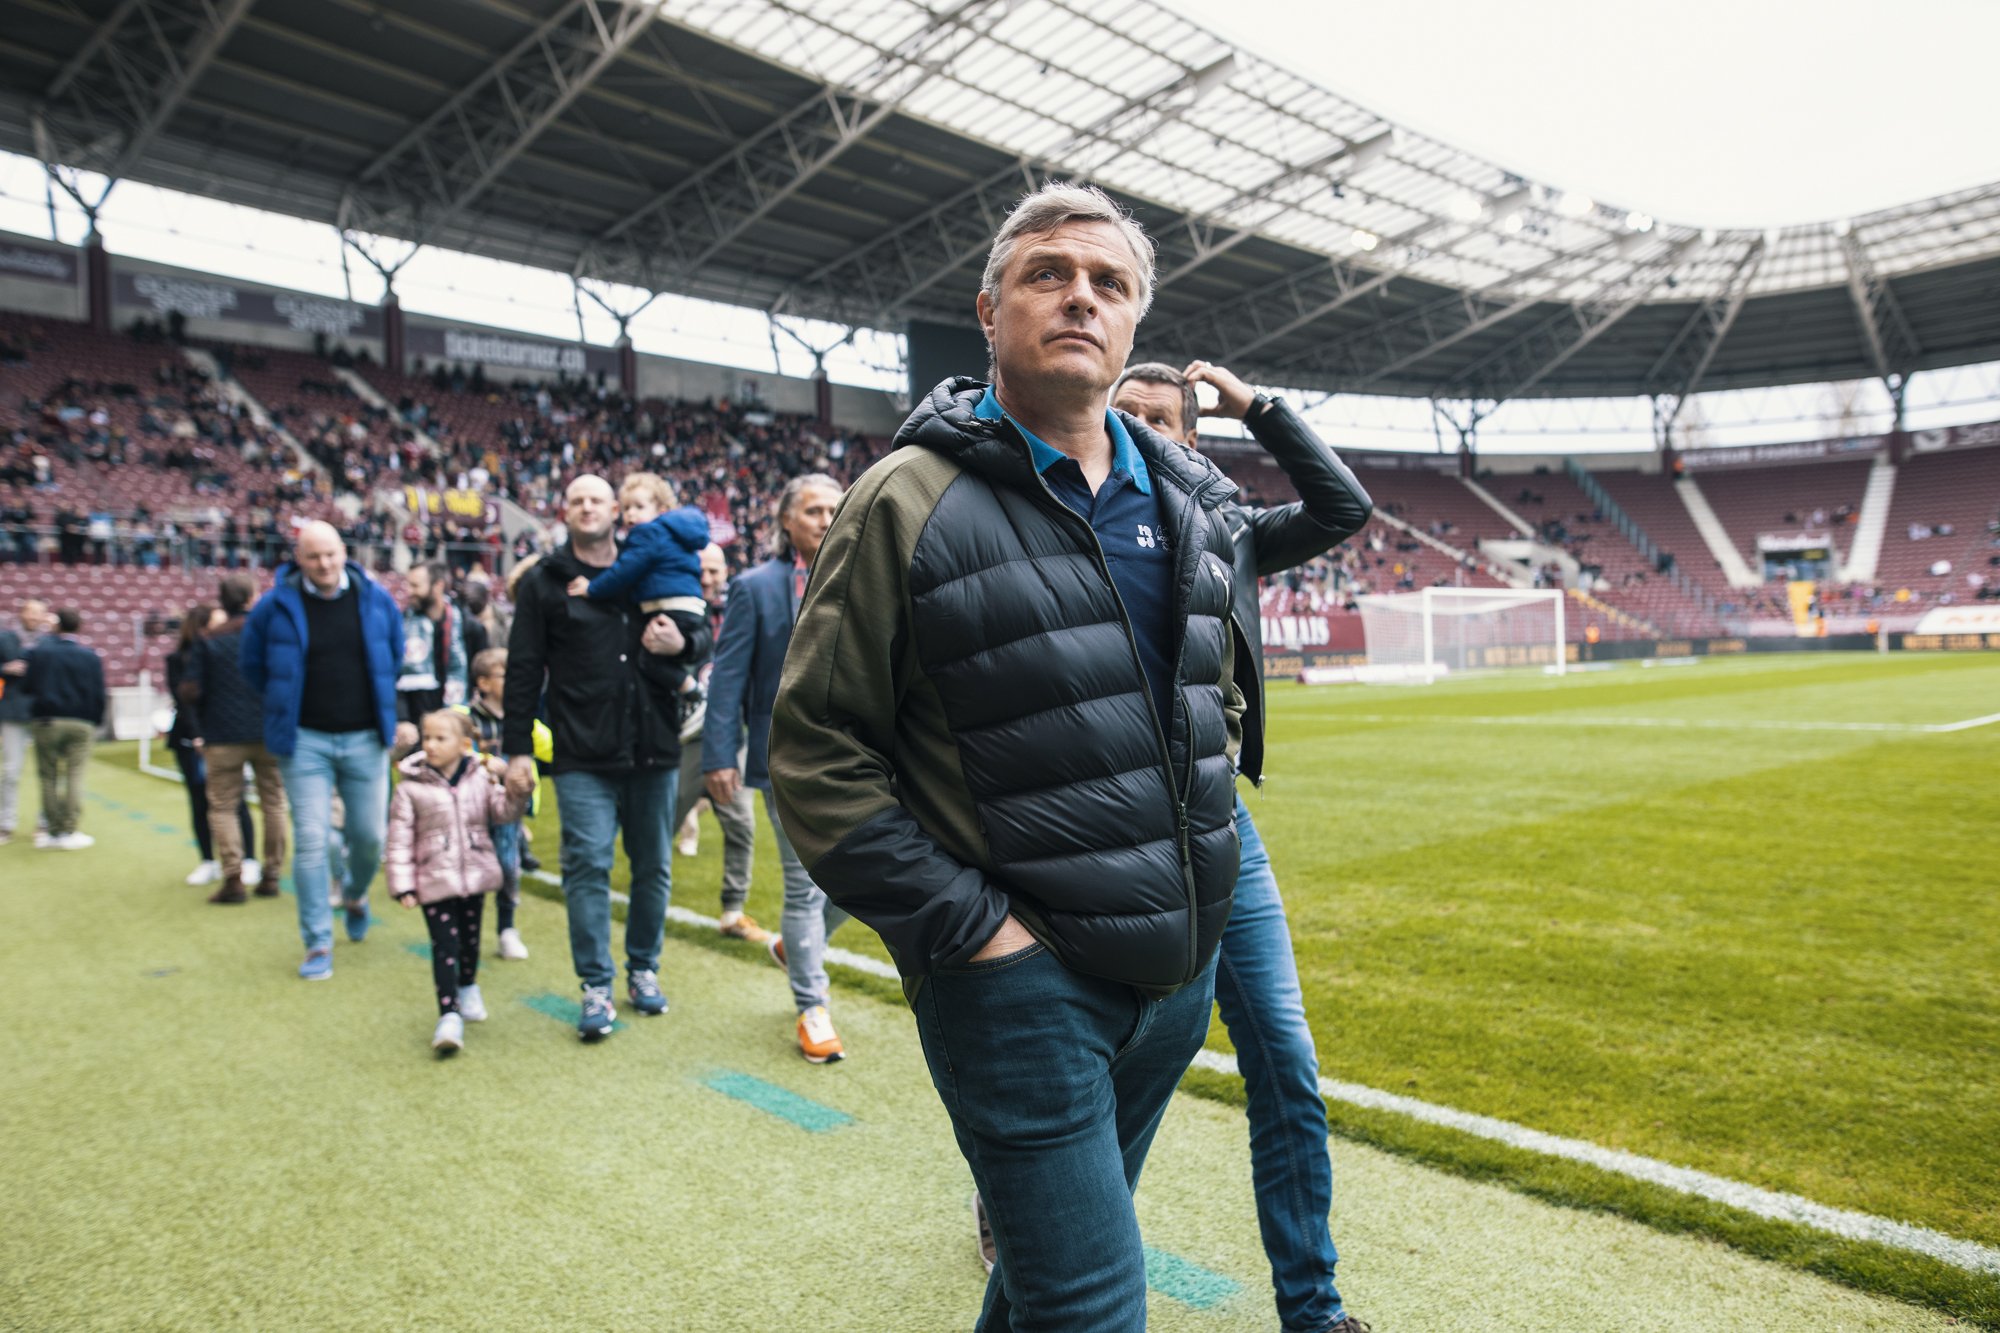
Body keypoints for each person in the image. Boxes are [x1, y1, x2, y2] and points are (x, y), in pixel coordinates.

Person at [768, 182, 1243, 1330]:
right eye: (1047, 275)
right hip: (1021, 990)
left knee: (1038, 1284)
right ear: (988, 310)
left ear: (1134, 326)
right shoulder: (905, 497)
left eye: (1107, 283)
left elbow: (1205, 702)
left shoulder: (1186, 497)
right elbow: (816, 749)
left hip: (1175, 979)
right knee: (1091, 1305)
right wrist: (976, 935)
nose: (1079, 296)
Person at [1112, 358, 1374, 1333]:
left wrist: (1253, 403)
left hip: (1225, 829)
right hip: (1120, 840)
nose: (1139, 427)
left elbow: (1341, 505)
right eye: (1121, 413)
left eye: (1161, 418)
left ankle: (1311, 1308)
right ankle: (1032, 1218)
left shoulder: (1230, 532)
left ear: (1190, 435)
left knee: (1285, 1060)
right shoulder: (1070, 528)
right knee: (1126, 1073)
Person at [503, 475, 711, 1041]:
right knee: (587, 866)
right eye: (577, 500)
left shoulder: (648, 557)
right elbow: (522, 668)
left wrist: (685, 647)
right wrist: (516, 748)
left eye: (597, 499)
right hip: (581, 751)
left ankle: (643, 970)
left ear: (615, 510)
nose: (587, 507)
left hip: (652, 743)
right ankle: (596, 982)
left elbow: (699, 627)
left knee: (653, 867)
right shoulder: (547, 581)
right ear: (565, 512)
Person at [705, 474, 849, 1063]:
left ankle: (797, 947)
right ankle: (812, 1007)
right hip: (784, 759)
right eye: (812, 510)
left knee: (866, 877)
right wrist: (719, 754)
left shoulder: (866, 572)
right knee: (801, 884)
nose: (824, 518)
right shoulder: (755, 587)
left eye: (834, 509)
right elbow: (728, 677)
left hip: (861, 758)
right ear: (786, 520)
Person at [240, 521, 405, 981]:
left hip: (365, 738)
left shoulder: (376, 598)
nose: (324, 564)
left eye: (331, 554)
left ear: (343, 552)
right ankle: (317, 941)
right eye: (314, 557)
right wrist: (283, 703)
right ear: (299, 558)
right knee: (311, 841)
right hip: (304, 741)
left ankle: (354, 893)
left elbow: (393, 655)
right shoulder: (274, 606)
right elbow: (252, 667)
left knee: (370, 835)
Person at [386, 709, 529, 1055]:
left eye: (441, 738)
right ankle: (448, 1014)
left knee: (469, 940)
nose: (431, 745)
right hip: (433, 878)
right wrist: (403, 884)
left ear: (464, 745)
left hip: (475, 875)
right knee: (444, 945)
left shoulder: (480, 778)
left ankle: (468, 986)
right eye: (427, 738)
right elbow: (399, 839)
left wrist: (515, 787)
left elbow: (503, 813)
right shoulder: (410, 788)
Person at [670, 543, 762, 939]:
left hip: (727, 736)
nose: (707, 578)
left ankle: (732, 910)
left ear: (726, 573)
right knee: (661, 825)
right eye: (699, 571)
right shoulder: (674, 612)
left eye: (713, 571)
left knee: (741, 824)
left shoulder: (739, 609)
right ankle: (645, 894)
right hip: (683, 739)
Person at [187, 572, 289, 905]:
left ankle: (233, 879)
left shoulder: (208, 639)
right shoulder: (270, 637)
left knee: (223, 807)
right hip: (267, 731)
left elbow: (190, 690)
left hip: (222, 736)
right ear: (251, 598)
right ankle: (271, 874)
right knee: (273, 802)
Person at [458, 647, 548, 962]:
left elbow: (549, 749)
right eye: (505, 674)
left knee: (508, 866)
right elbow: (453, 754)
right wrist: (485, 761)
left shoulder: (522, 719)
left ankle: (506, 929)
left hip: (508, 808)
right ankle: (464, 930)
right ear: (483, 683)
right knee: (469, 870)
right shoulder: (464, 718)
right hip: (469, 811)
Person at [165, 602, 255, 890]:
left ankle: (248, 859)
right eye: (215, 622)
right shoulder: (178, 659)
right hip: (192, 739)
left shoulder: (228, 652)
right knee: (200, 801)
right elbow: (185, 701)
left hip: (225, 736)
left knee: (234, 800)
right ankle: (208, 860)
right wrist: (197, 736)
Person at [565, 472, 710, 619]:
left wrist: (592, 589)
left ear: (662, 510)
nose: (631, 513)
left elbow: (624, 570)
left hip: (666, 608)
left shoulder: (648, 533)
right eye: (627, 508)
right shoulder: (675, 535)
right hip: (692, 607)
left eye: (639, 507)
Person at [25, 607, 106, 851]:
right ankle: (68, 830)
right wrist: (95, 721)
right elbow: (98, 693)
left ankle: (54, 831)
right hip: (80, 723)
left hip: (47, 721)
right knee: (74, 775)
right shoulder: (89, 655)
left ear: (56, 625)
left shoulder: (40, 652)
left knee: (48, 776)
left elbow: (28, 686)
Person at [394, 561, 468, 754]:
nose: (409, 591)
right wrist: (402, 720)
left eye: (416, 585)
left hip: (455, 722)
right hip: (414, 725)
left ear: (438, 586)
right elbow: (395, 675)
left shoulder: (468, 626)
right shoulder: (402, 624)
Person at [0, 598, 50, 845]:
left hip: (43, 712)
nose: (34, 617)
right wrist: (5, 669)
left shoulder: (49, 642)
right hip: (12, 711)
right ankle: (5, 824)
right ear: (21, 614)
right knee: (11, 771)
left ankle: (44, 823)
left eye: (39, 613)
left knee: (47, 771)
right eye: (30, 612)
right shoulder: (5, 638)